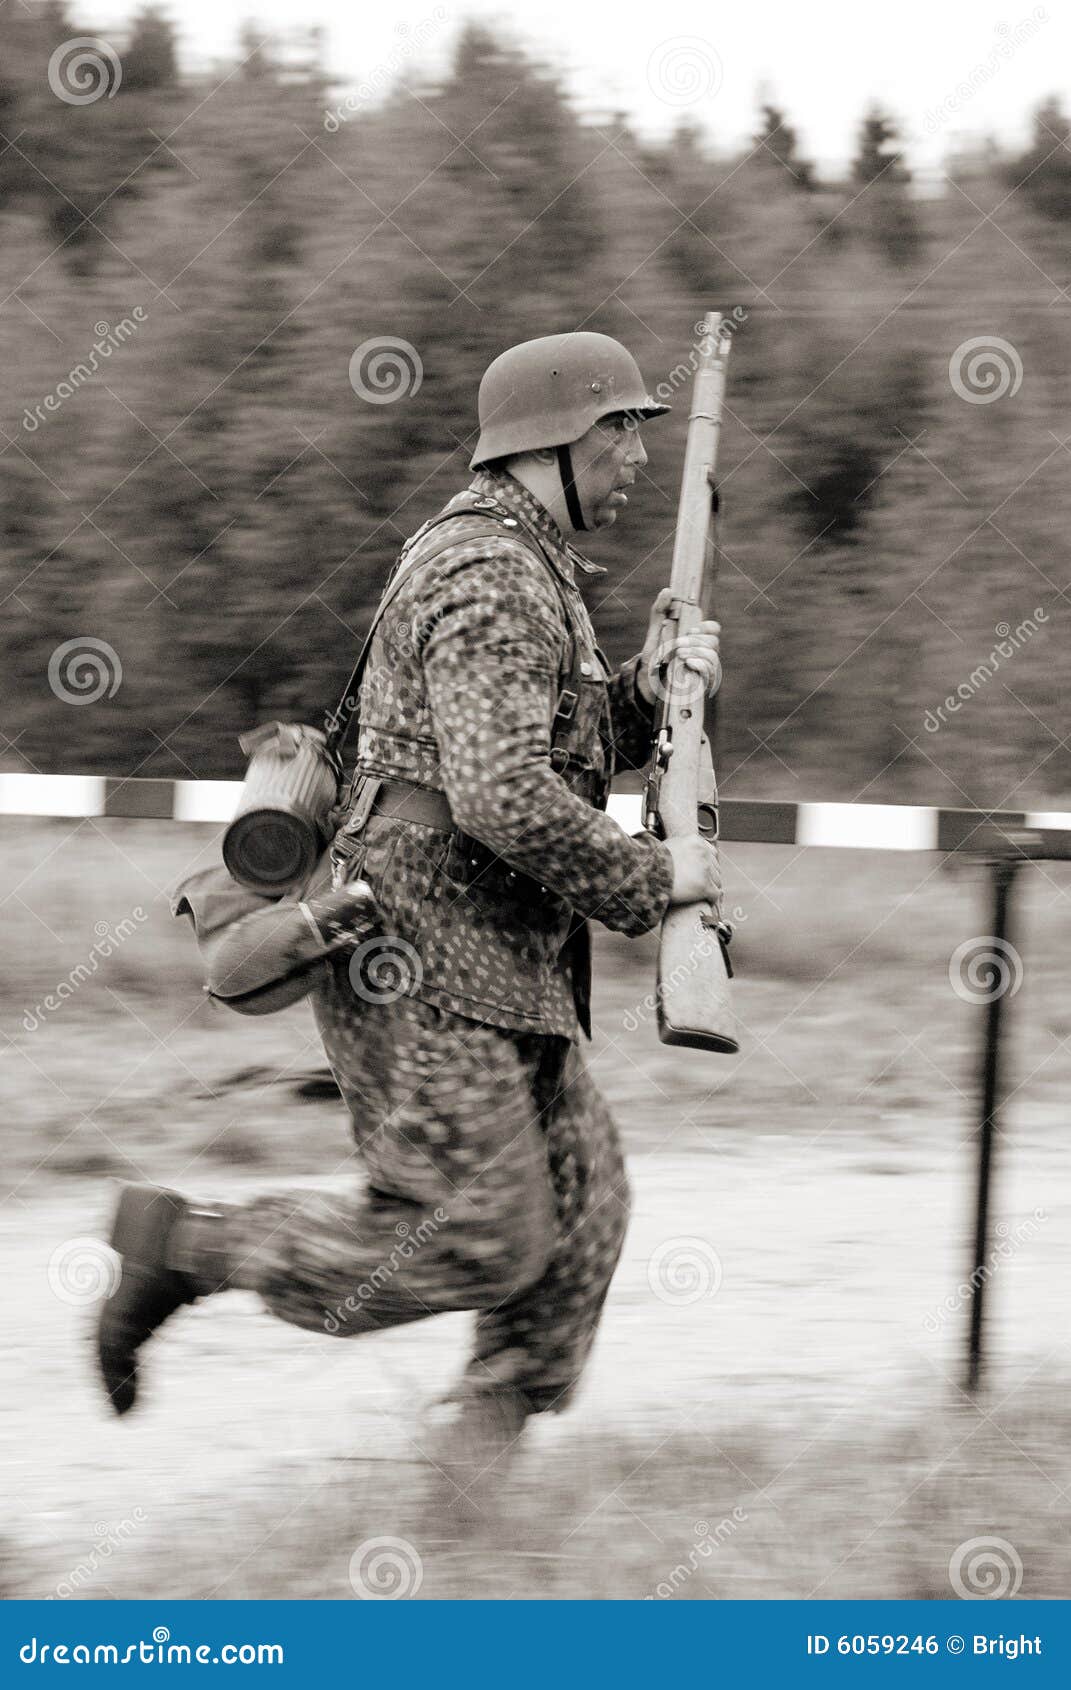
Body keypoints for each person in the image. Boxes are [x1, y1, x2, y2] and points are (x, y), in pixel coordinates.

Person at [96, 332, 723, 1475]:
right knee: (476, 1237)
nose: (638, 455)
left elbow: (551, 751)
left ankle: (469, 1481)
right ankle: (185, 1248)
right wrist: (652, 881)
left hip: (501, 964)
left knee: (582, 1213)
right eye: (623, 429)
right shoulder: (486, 573)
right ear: (559, 435)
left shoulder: (530, 570)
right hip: (421, 959)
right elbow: (497, 796)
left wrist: (650, 692)